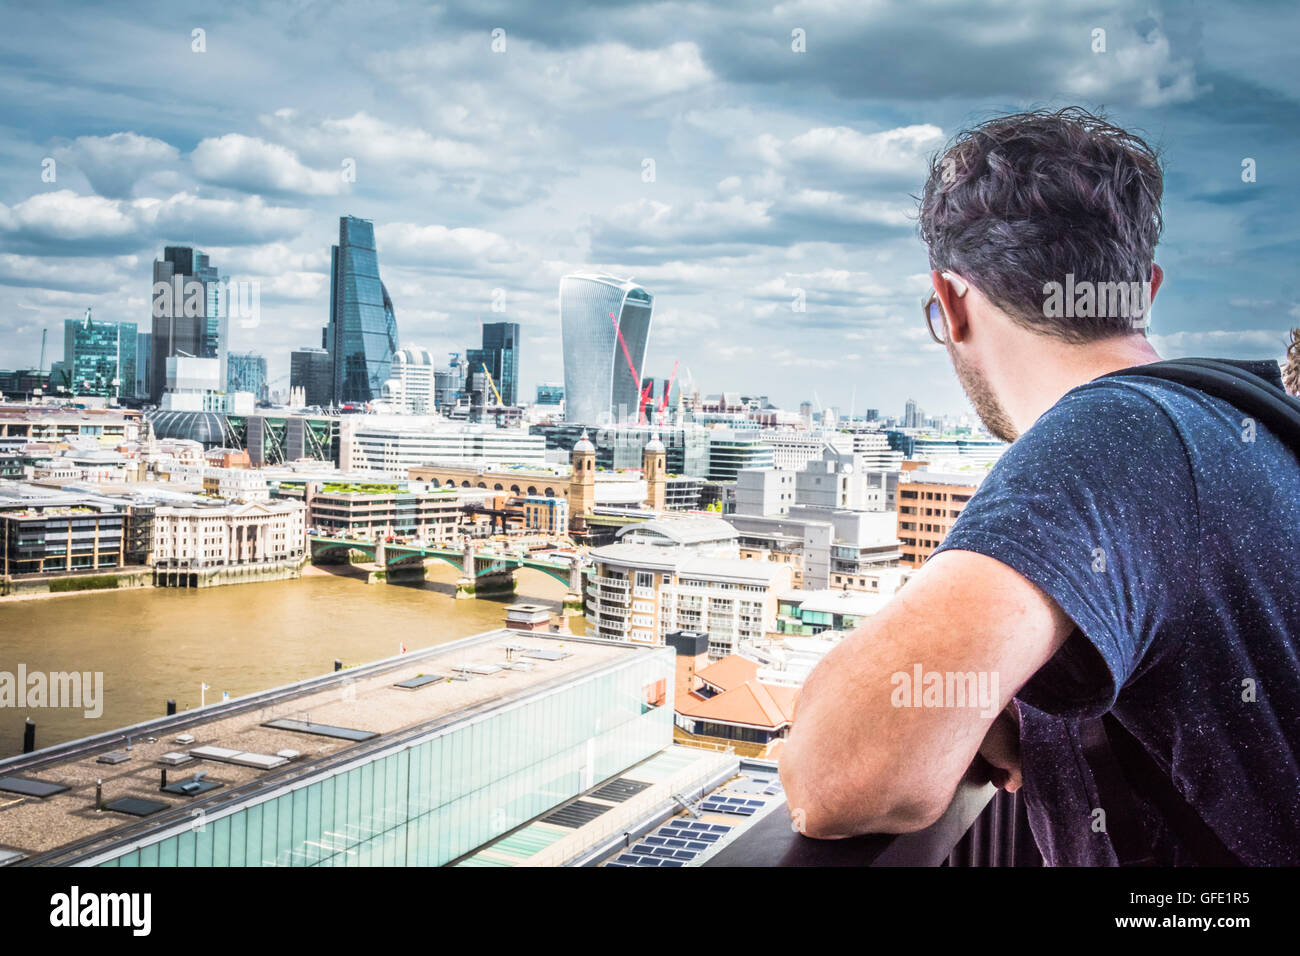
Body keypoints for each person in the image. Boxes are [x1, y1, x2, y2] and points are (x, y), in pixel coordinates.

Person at [778, 107, 1300, 865]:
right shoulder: (1241, 418)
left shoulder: (1110, 442)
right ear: (1144, 291)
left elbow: (837, 778)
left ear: (951, 303)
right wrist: (989, 689)